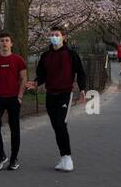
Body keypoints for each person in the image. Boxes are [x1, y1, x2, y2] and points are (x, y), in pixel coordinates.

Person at [27, 25, 87, 171]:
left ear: (64, 37)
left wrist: (83, 89)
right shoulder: (46, 56)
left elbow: (80, 72)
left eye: (57, 34)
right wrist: (35, 83)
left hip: (65, 94)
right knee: (57, 127)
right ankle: (63, 157)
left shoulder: (72, 55)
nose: (54, 37)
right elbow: (42, 74)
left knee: (60, 124)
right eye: (51, 34)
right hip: (50, 95)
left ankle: (68, 158)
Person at [0, 33, 27, 170]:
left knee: (15, 129)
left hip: (14, 98)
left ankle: (14, 158)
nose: (4, 43)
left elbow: (23, 79)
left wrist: (20, 96)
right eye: (2, 41)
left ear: (11, 43)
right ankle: (1, 155)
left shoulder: (18, 60)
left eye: (7, 40)